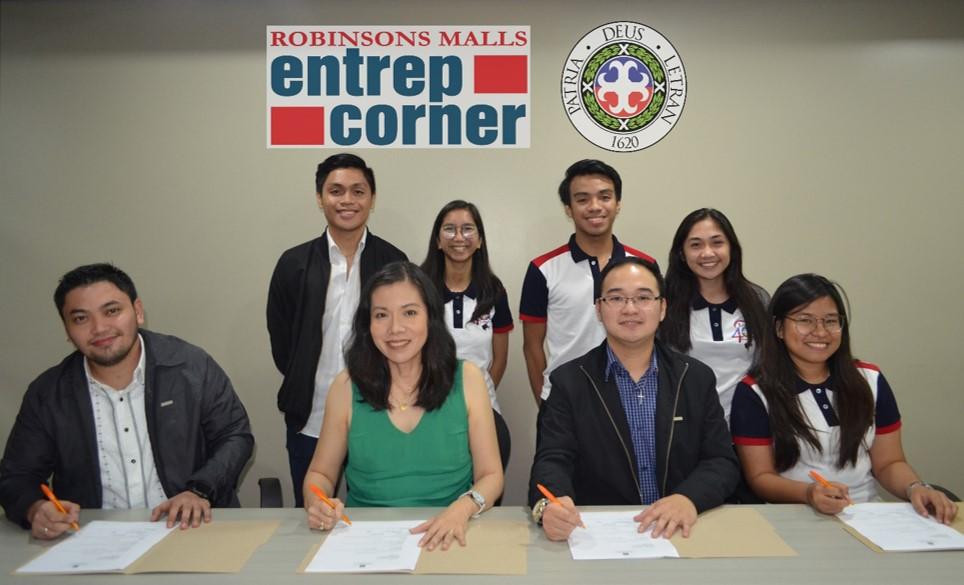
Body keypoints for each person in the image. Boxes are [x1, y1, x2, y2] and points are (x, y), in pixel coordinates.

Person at [0, 263, 254, 539]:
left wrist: (199, 491)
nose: (100, 328)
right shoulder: (48, 393)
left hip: (189, 527)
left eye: (112, 311)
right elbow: (16, 478)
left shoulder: (191, 367)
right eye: (81, 318)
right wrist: (35, 508)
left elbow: (235, 436)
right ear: (66, 328)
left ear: (138, 311)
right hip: (91, 538)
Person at [529, 257, 739, 542]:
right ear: (599, 309)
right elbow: (552, 460)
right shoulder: (569, 381)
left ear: (662, 307)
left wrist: (688, 498)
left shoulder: (695, 378)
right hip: (602, 535)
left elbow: (720, 461)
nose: (630, 309)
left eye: (643, 297)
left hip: (681, 529)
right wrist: (550, 507)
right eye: (616, 298)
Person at [303, 262, 503, 551]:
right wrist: (318, 501)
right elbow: (319, 475)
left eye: (410, 312)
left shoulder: (468, 379)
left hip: (452, 534)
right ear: (367, 324)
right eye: (381, 315)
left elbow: (492, 476)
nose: (395, 329)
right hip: (366, 541)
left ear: (430, 318)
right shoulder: (345, 387)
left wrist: (463, 508)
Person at [730, 274, 958, 523]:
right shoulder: (754, 391)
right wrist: (809, 493)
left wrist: (915, 487)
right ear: (778, 328)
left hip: (867, 513)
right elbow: (761, 477)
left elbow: (889, 462)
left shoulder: (869, 379)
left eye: (830, 321)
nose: (820, 332)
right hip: (794, 515)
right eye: (805, 321)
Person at [267, 153, 407, 507]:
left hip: (380, 414)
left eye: (358, 191)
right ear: (320, 198)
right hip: (311, 418)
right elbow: (283, 342)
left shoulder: (394, 262)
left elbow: (405, 337)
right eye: (336, 191)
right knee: (313, 514)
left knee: (381, 513)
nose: (347, 200)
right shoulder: (293, 264)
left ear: (371, 199)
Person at [520, 159, 657, 404]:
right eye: (582, 199)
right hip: (566, 400)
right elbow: (532, 347)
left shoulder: (644, 266)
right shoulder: (542, 269)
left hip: (632, 397)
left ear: (617, 204)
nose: (595, 207)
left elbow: (657, 334)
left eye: (604, 197)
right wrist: (546, 402)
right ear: (568, 209)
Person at [661, 208, 769, 423]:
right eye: (696, 245)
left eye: (717, 242)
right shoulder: (663, 302)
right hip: (686, 429)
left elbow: (769, 366)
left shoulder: (758, 299)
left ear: (731, 248)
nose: (707, 253)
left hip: (748, 426)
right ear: (681, 253)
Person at [420, 200, 514, 413]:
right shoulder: (419, 289)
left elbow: (500, 359)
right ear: (438, 240)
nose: (459, 237)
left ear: (480, 240)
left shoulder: (494, 291)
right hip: (428, 407)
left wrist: (480, 393)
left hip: (481, 405)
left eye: (468, 229)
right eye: (450, 229)